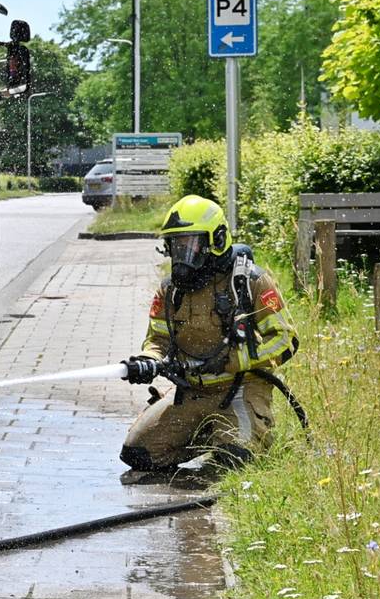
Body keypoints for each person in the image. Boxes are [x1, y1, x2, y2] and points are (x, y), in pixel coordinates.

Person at [118, 195, 298, 478]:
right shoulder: (170, 290)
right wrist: (147, 360)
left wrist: (235, 360)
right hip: (192, 392)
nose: (182, 255)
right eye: (176, 245)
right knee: (138, 454)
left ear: (217, 240)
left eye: (189, 244)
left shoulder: (249, 281)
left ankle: (236, 436)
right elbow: (158, 340)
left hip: (240, 389)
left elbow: (286, 340)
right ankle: (212, 432)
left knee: (234, 460)